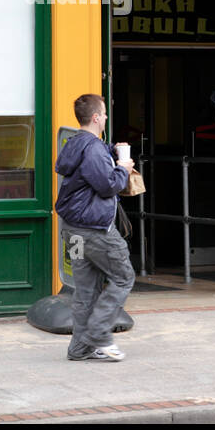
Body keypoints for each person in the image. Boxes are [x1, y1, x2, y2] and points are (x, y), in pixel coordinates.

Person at [54, 93, 137, 363]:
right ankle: (100, 335)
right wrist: (123, 167)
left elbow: (91, 166)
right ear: (96, 117)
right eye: (104, 114)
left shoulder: (75, 143)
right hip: (94, 230)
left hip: (72, 230)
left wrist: (112, 151)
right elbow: (107, 185)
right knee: (124, 276)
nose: (106, 118)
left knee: (86, 290)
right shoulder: (93, 148)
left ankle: (80, 348)